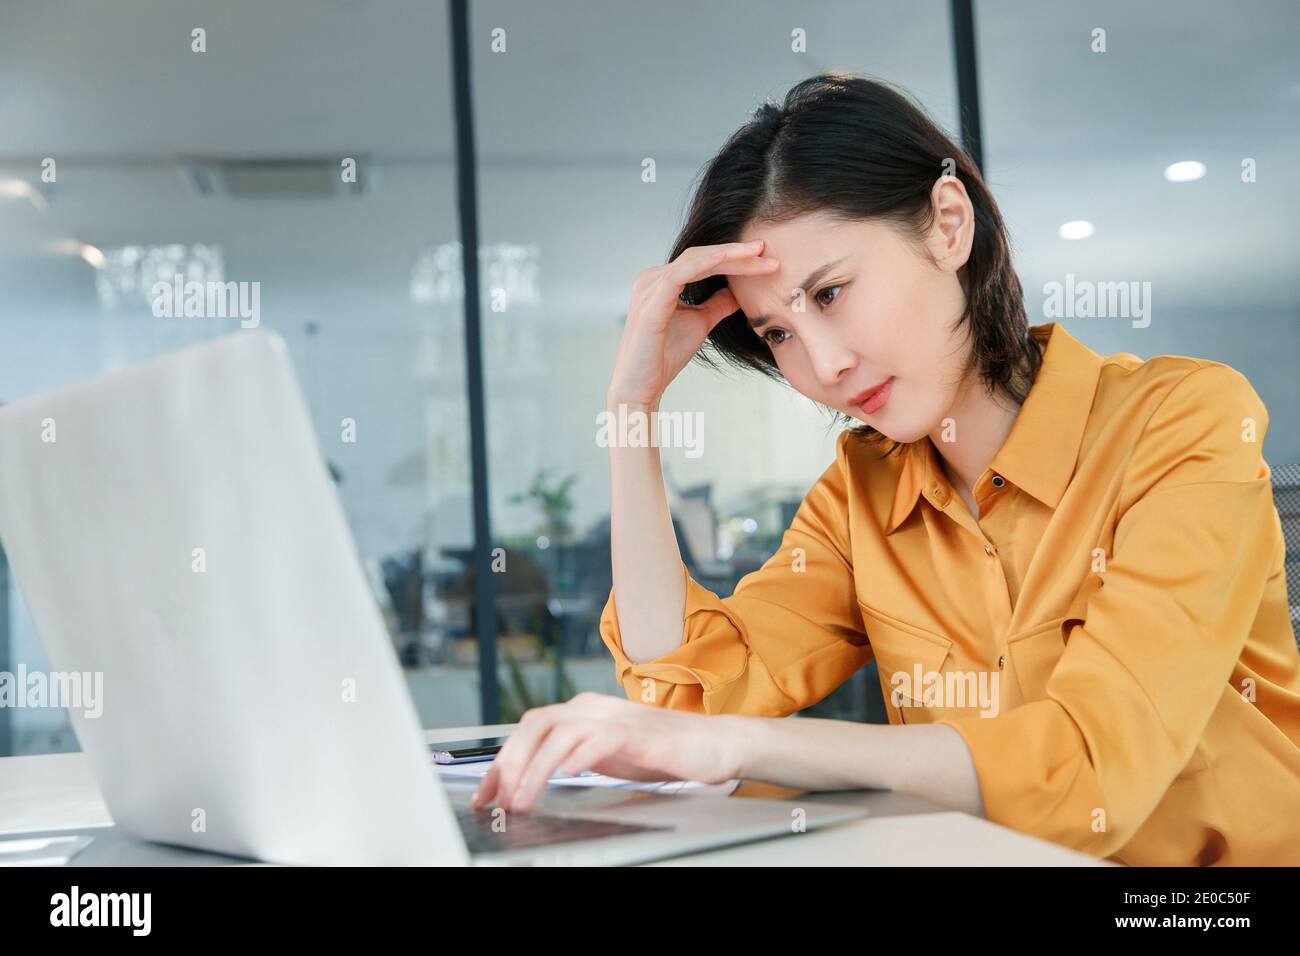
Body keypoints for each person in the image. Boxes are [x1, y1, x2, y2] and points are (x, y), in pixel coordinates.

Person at [472, 73, 1300, 866]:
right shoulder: (861, 493)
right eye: (777, 333)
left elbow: (1090, 768)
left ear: (947, 224)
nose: (823, 364)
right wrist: (633, 410)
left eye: (829, 293)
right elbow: (684, 699)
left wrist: (750, 743)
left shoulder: (1184, 423)